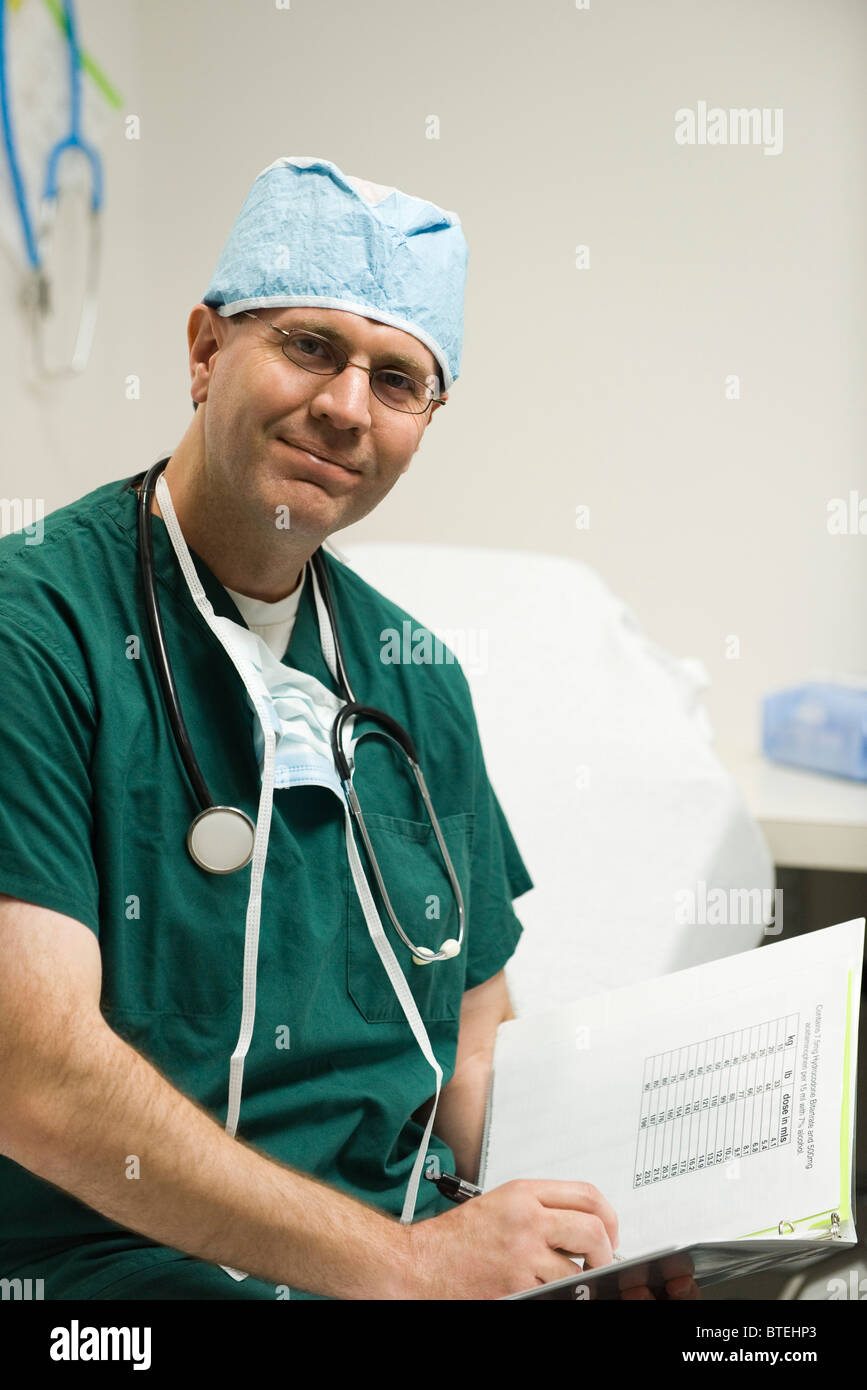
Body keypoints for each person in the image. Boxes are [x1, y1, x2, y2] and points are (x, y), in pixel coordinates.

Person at [0, 156, 698, 1301]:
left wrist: (609, 1214)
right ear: (204, 349)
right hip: (117, 1270)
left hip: (398, 1246)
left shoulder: (416, 680)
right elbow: (34, 1076)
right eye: (309, 346)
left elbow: (472, 1053)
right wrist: (406, 1262)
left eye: (398, 378)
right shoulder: (37, 629)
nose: (344, 406)